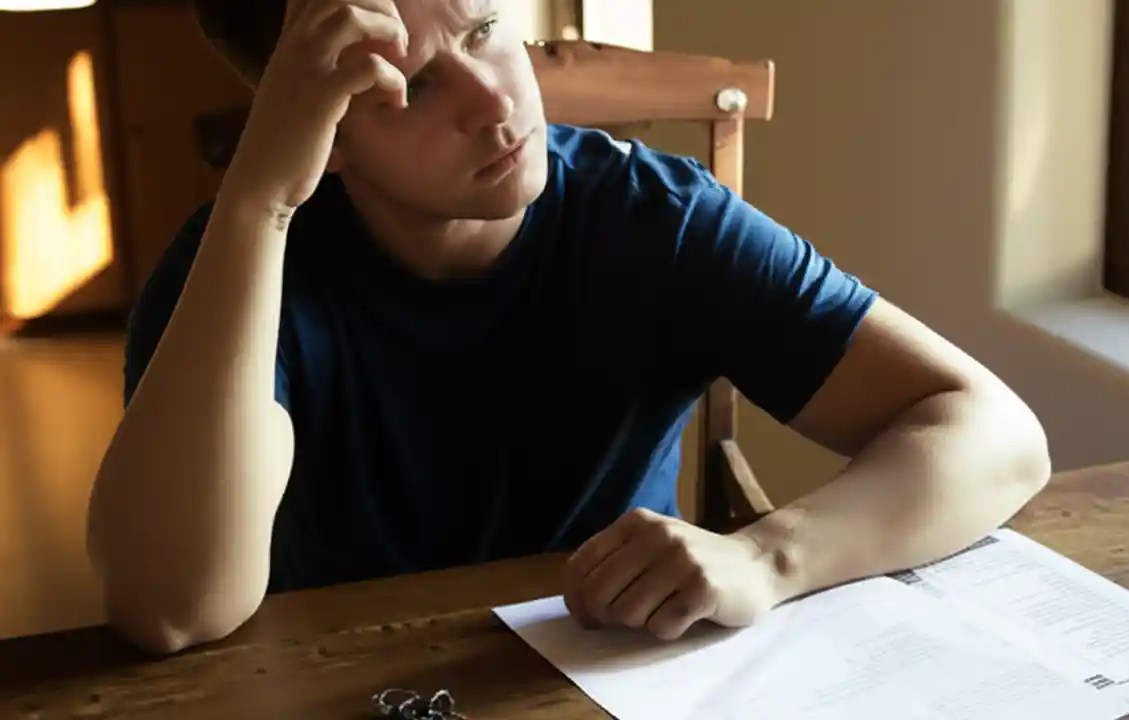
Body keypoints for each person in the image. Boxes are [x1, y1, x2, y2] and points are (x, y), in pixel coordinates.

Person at [86, 0, 1052, 657]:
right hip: (356, 683)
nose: (494, 100)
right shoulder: (238, 270)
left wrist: (766, 555)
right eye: (415, 87)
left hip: (617, 668)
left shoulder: (654, 220)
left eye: (486, 29)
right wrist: (258, 198)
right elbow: (172, 611)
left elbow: (997, 436)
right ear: (321, 133)